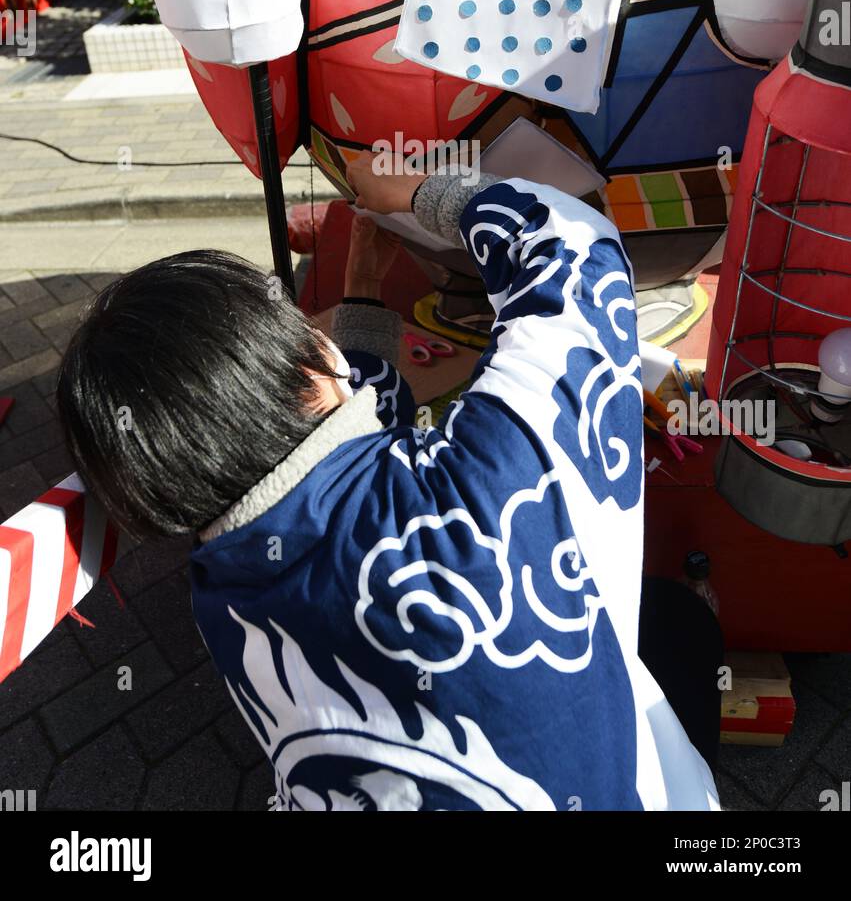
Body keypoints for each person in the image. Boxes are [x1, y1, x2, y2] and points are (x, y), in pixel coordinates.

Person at [58, 155, 720, 812]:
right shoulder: (487, 492)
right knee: (680, 627)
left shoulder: (221, 590)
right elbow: (577, 251)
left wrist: (363, 282)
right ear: (314, 369)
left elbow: (347, 450)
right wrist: (416, 189)